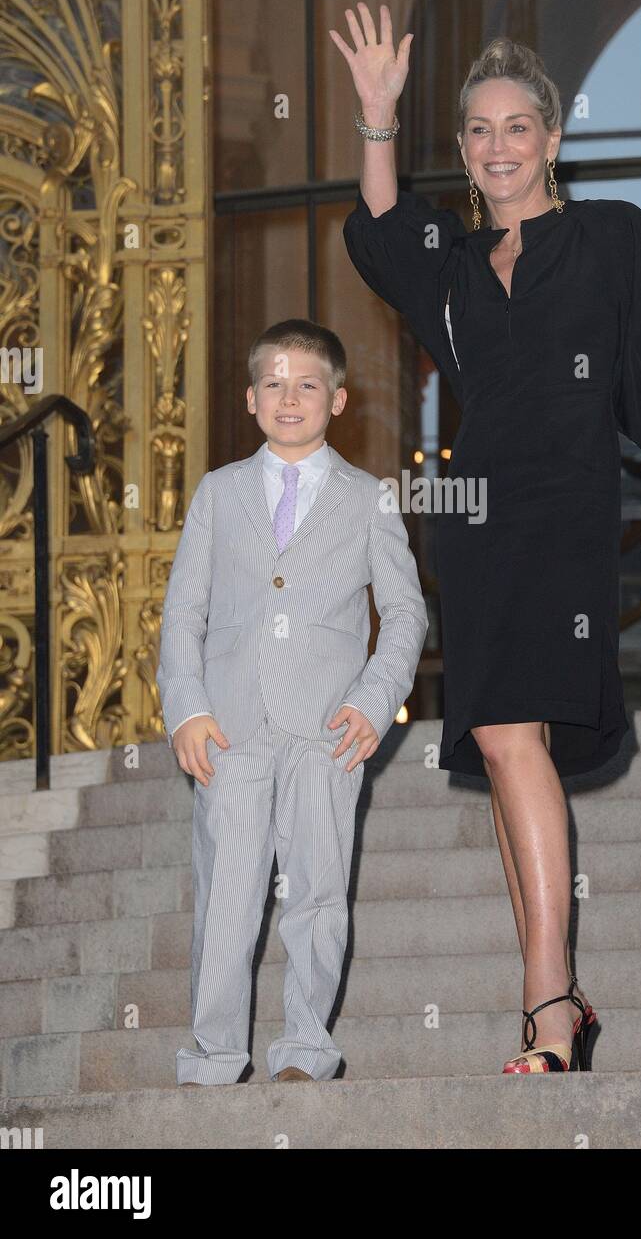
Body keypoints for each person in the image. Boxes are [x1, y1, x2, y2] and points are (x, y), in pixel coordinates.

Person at [332, 3, 641, 1074]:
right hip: (478, 525)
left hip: (565, 512)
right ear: (462, 152)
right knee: (506, 747)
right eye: (477, 132)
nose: (497, 146)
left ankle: (547, 1006)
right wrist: (375, 114)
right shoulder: (448, 267)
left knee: (508, 738)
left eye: (516, 126)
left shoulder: (612, 239)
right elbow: (376, 224)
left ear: (549, 137)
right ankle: (559, 1001)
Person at [156, 319, 428, 1085]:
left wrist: (375, 701)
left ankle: (306, 1047)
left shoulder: (367, 499)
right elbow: (184, 611)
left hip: (328, 725)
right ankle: (213, 1054)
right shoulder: (219, 493)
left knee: (317, 888)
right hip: (230, 725)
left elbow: (404, 613)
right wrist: (187, 707)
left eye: (307, 383)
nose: (289, 396)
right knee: (227, 897)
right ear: (249, 398)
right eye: (273, 382)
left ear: (338, 400)